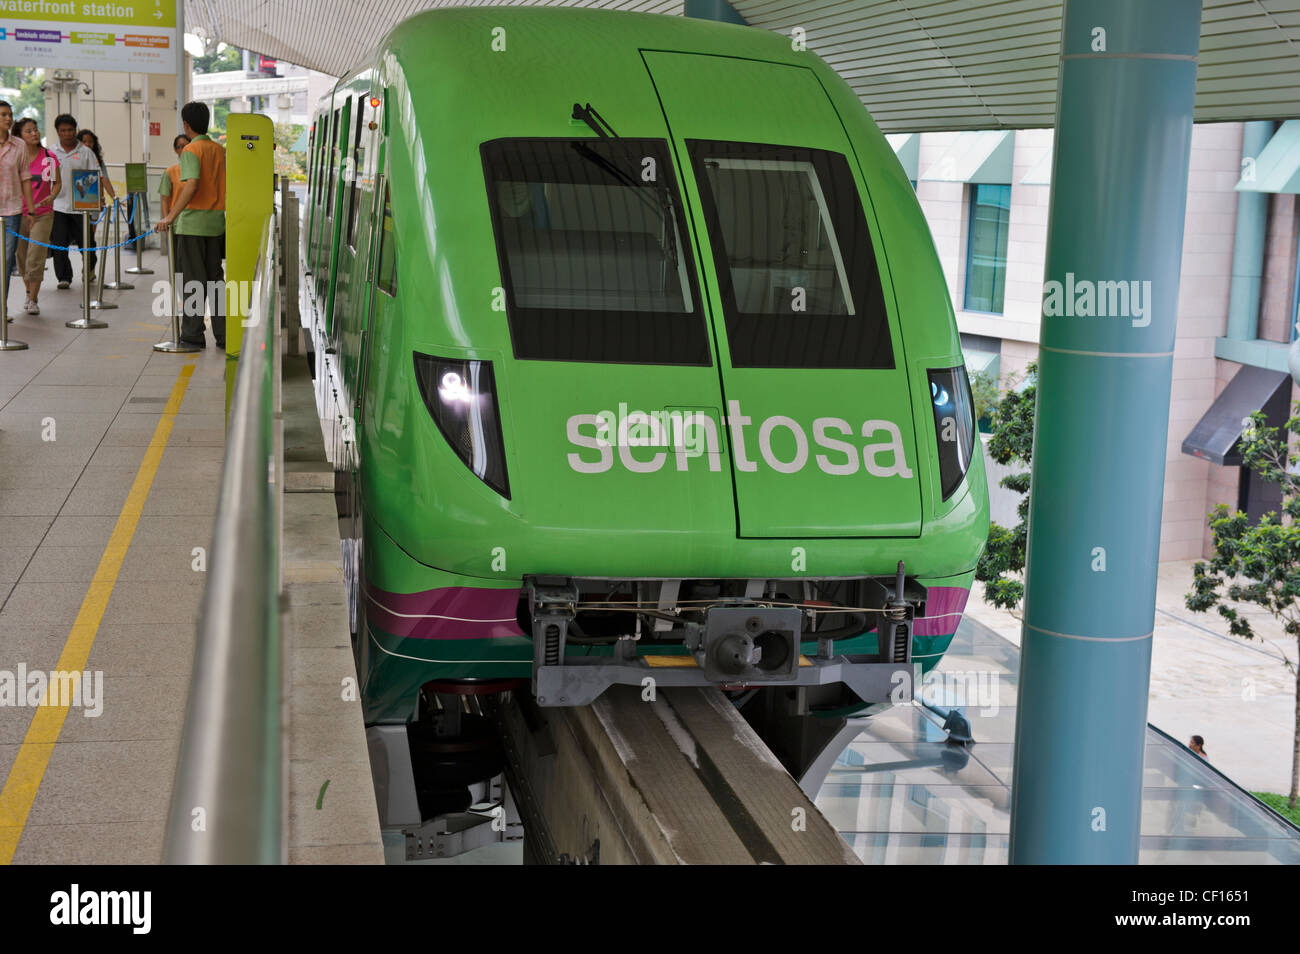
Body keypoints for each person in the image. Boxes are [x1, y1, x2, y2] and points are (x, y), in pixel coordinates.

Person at [156, 102, 225, 350]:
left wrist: (170, 216)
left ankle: (193, 334)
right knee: (216, 280)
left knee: (193, 281)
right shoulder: (219, 149)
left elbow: (192, 184)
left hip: (192, 225)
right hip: (216, 223)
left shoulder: (191, 151)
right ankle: (223, 334)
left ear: (186, 124)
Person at [47, 114, 99, 291]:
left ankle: (89, 268)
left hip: (81, 207)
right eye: (63, 130)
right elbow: (48, 179)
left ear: (75, 130)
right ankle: (64, 277)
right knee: (59, 244)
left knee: (88, 243)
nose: (67, 134)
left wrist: (94, 209)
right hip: (58, 206)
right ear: (57, 132)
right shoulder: (51, 152)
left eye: (70, 130)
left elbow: (94, 178)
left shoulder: (86, 152)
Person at [14, 117, 60, 315]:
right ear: (19, 136)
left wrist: (52, 195)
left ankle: (33, 299)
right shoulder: (16, 157)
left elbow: (57, 182)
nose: (34, 133)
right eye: (28, 131)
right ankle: (27, 291)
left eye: (35, 130)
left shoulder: (48, 157)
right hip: (17, 213)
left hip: (42, 213)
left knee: (36, 255)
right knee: (21, 256)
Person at [79, 128, 136, 249]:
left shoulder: (98, 161)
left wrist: (115, 198)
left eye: (90, 142)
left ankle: (89, 260)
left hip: (94, 200)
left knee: (90, 235)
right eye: (84, 141)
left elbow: (105, 179)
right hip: (77, 202)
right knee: (80, 233)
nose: (88, 144)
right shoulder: (74, 159)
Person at [0, 101, 23, 305]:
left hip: (12, 210)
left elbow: (24, 176)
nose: (8, 119)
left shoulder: (19, 145)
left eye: (10, 114)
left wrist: (31, 211)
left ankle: (1, 306)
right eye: (3, 115)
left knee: (6, 261)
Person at [158, 133, 190, 219]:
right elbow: (165, 200)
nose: (185, 149)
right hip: (176, 220)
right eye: (181, 146)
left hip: (194, 219)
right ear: (175, 150)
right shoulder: (170, 172)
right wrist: (166, 220)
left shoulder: (200, 170)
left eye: (188, 146)